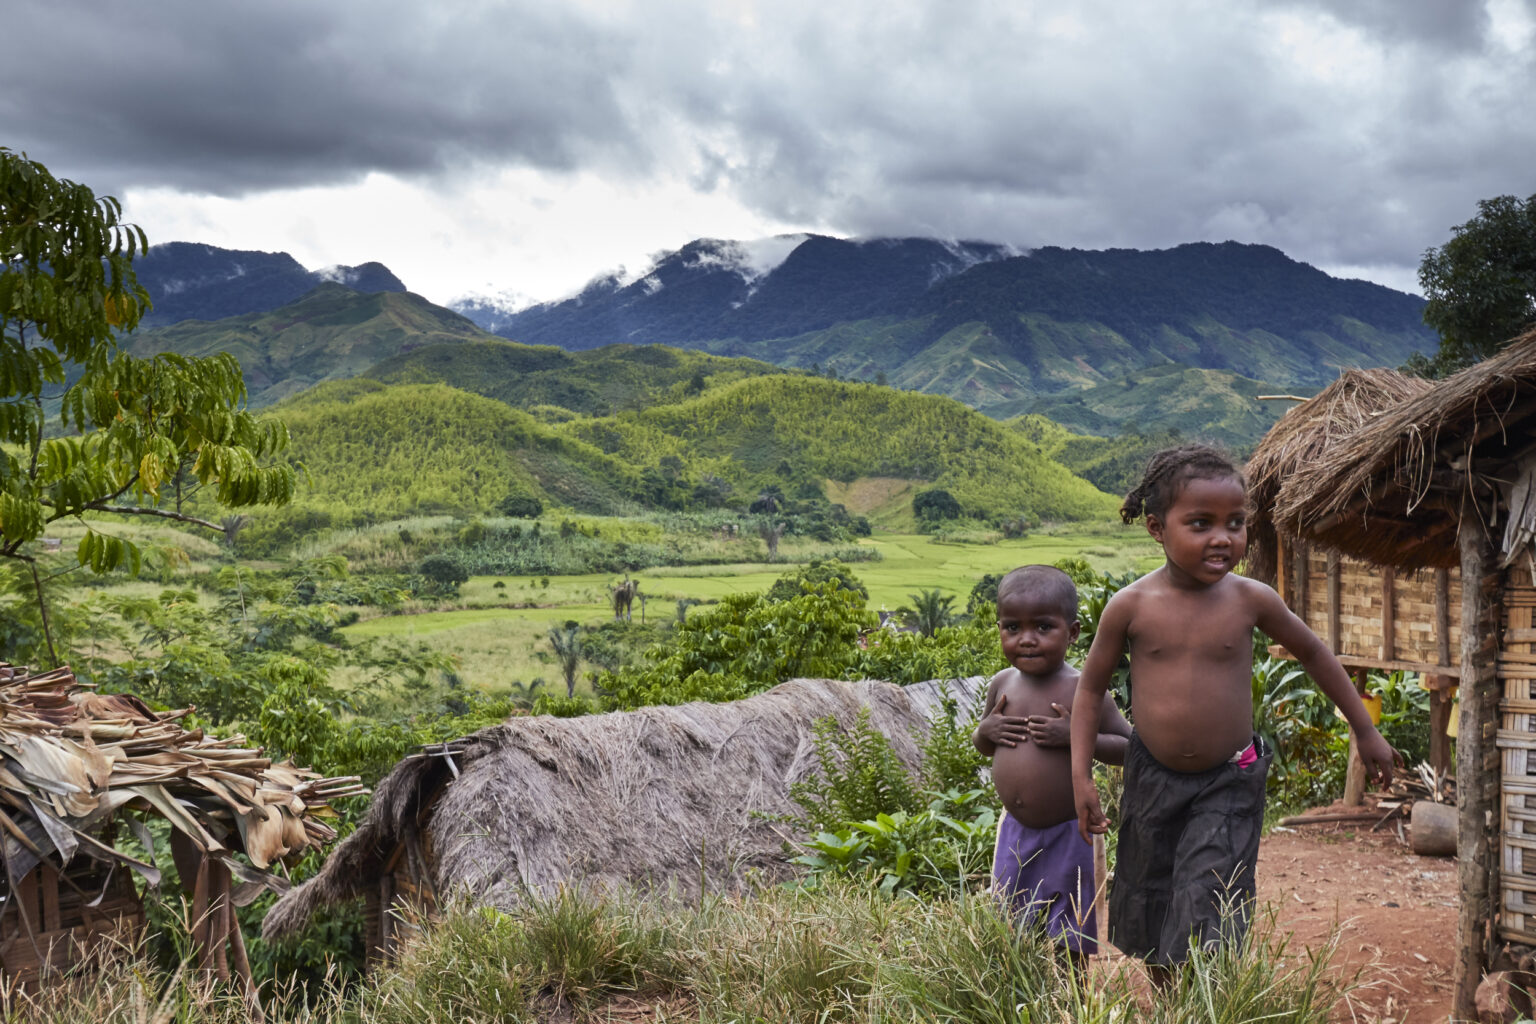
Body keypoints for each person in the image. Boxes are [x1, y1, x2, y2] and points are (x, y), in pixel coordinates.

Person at [1069, 444, 1399, 975]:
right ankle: (1172, 1002)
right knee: (1150, 895)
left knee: (1209, 895)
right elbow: (1089, 693)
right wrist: (1081, 776)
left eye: (1236, 522)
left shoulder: (1252, 600)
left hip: (1230, 777)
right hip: (1151, 776)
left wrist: (1365, 729)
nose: (1223, 538)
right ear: (1157, 528)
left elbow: (1315, 654)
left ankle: (1203, 1001)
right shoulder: (1129, 607)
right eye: (1201, 523)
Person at [974, 564, 1131, 968]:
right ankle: (1021, 997)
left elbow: (1130, 748)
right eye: (1012, 627)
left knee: (1070, 932)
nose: (1026, 640)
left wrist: (1078, 738)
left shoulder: (1085, 689)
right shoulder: (1001, 684)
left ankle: (1071, 1001)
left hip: (1070, 832)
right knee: (1010, 927)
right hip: (1014, 831)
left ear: (1073, 632)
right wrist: (985, 730)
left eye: (1043, 627)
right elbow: (985, 748)